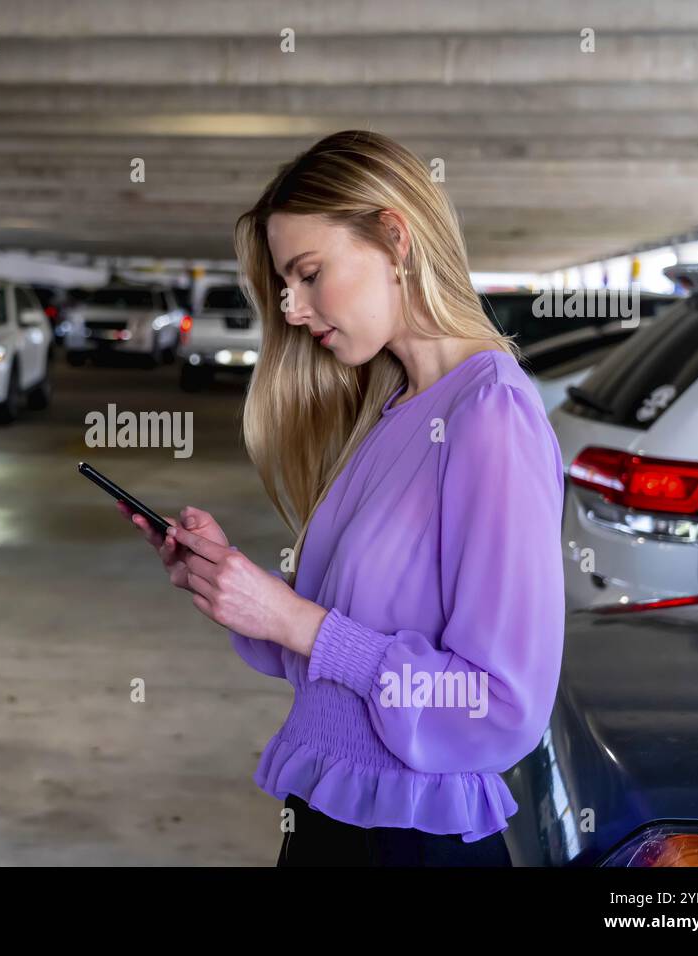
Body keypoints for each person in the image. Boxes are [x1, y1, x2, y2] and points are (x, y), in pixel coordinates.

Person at [121, 130, 565, 866]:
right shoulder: (393, 411)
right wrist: (238, 587)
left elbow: (499, 706)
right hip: (337, 820)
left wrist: (294, 620)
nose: (292, 310)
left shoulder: (491, 413)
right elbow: (335, 654)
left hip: (410, 843)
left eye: (309, 273)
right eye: (285, 287)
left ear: (395, 238)